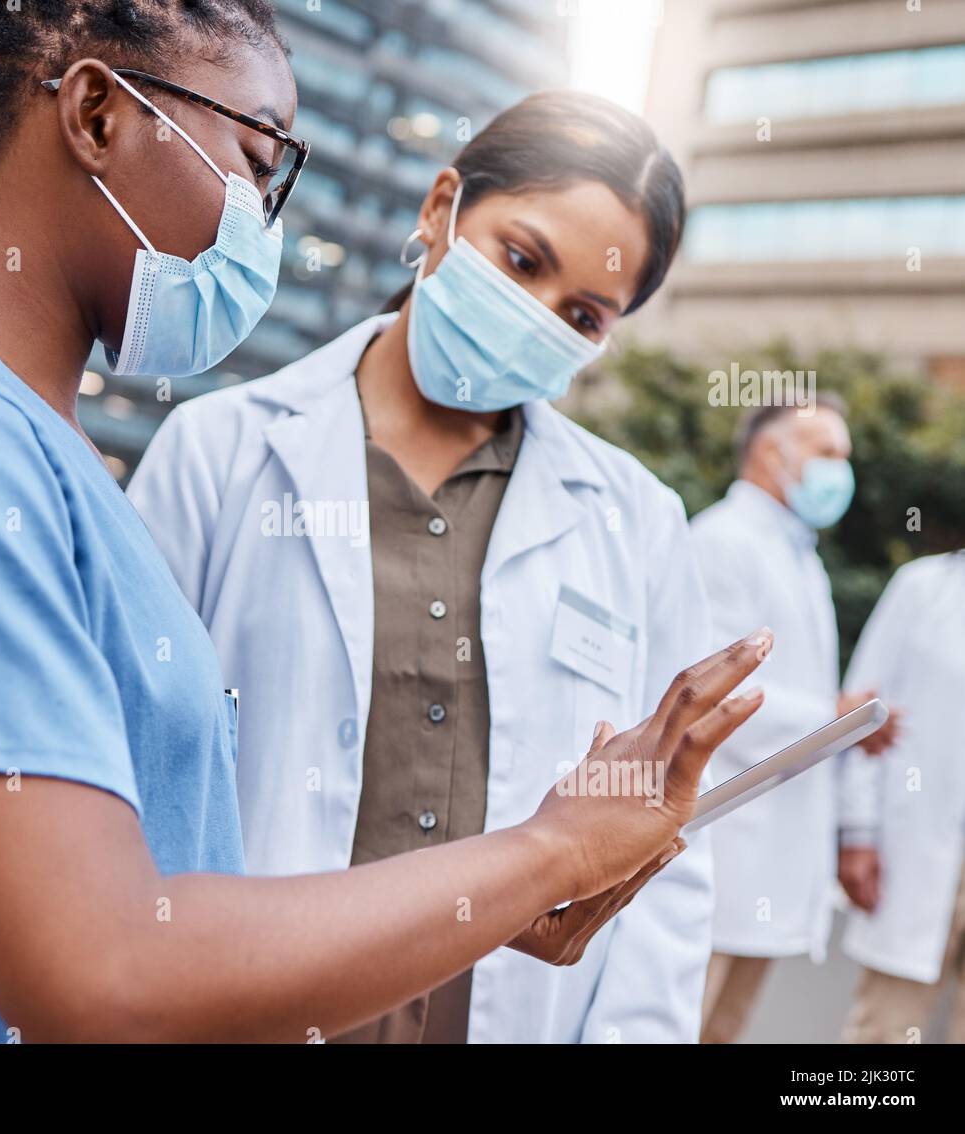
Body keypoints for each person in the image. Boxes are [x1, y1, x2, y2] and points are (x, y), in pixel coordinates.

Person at [0, 0, 769, 1043]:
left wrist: (506, 896)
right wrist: (548, 852)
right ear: (95, 113)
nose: (259, 223)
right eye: (256, 159)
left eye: (585, 315)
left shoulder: (40, 457)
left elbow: (153, 876)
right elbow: (104, 970)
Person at [130, 91, 721, 1043]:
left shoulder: (637, 520)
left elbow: (666, 854)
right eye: (521, 261)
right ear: (440, 208)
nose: (537, 317)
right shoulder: (221, 453)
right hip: (243, 1012)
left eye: (582, 312)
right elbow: (131, 772)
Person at [691, 396, 894, 1044]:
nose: (840, 471)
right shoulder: (720, 541)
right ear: (769, 453)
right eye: (826, 452)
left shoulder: (799, 556)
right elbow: (709, 692)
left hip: (775, 853)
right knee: (679, 1027)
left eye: (845, 456)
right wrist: (836, 720)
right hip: (720, 849)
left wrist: (842, 727)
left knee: (722, 1032)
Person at [838, 551, 964, 1043]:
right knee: (887, 1032)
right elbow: (864, 714)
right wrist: (858, 832)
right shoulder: (922, 588)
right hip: (921, 848)